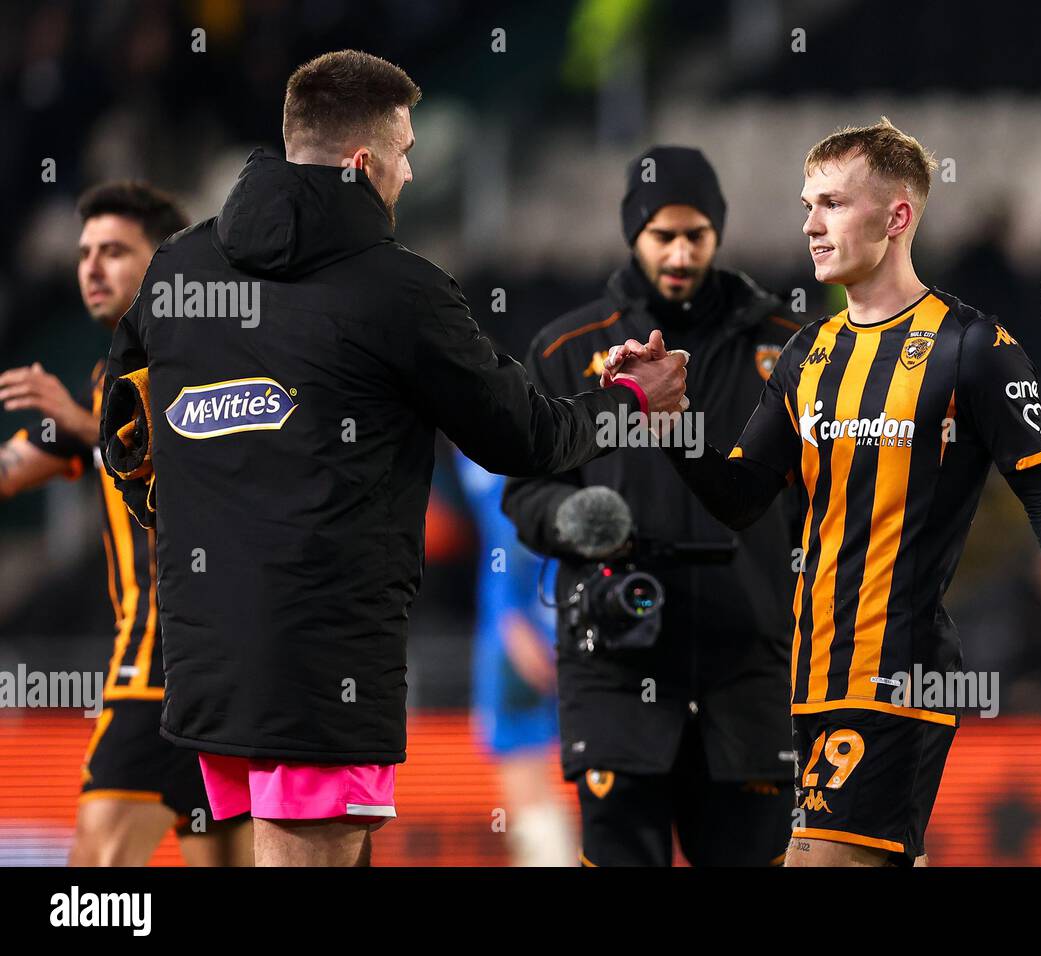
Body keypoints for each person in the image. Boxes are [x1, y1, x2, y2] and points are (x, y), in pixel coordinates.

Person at [99, 49, 684, 867]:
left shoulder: (178, 271)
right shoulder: (398, 291)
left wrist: (176, 520)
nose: (411, 173)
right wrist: (630, 402)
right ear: (363, 161)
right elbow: (525, 439)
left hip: (207, 657)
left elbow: (122, 433)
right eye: (406, 152)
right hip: (322, 656)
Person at [610, 118, 1041, 867]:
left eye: (834, 204)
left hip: (895, 675)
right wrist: (674, 421)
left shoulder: (972, 348)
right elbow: (741, 494)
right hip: (812, 677)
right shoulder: (806, 355)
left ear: (898, 216)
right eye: (807, 204)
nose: (812, 225)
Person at [503, 146, 801, 866]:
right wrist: (572, 522)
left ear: (718, 233)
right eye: (662, 234)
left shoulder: (788, 348)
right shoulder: (569, 348)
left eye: (695, 233)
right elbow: (525, 488)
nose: (679, 251)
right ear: (632, 232)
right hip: (615, 661)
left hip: (749, 663)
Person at [0, 181, 251, 866]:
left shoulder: (214, 367)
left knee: (93, 883)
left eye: (113, 250)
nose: (91, 267)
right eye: (84, 252)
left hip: (183, 669)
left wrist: (88, 425)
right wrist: (82, 422)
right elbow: (11, 467)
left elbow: (221, 496)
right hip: (190, 678)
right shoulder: (97, 383)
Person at [453, 450, 576, 866]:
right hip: (554, 612)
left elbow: (507, 528)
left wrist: (510, 615)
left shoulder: (480, 423)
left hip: (526, 618)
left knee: (527, 777)